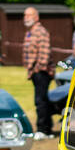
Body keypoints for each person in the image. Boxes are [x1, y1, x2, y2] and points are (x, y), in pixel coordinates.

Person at [23, 7, 54, 137]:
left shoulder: (40, 31)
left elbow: (44, 55)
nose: (26, 17)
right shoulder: (30, 32)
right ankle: (47, 128)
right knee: (42, 100)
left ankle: (43, 130)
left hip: (42, 72)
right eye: (25, 15)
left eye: (29, 15)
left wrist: (37, 69)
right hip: (35, 72)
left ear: (36, 17)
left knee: (40, 101)